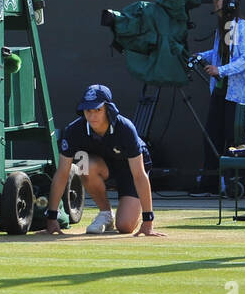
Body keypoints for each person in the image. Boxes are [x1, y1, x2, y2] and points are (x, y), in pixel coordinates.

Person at [39, 84, 163, 237]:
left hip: (130, 172)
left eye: (97, 110)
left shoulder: (126, 128)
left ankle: (125, 214)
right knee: (83, 162)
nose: (92, 116)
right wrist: (52, 217)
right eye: (88, 110)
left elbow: (139, 175)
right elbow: (62, 173)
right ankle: (105, 213)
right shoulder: (74, 130)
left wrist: (148, 221)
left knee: (125, 226)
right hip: (102, 168)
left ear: (108, 109)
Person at [193, 0, 245, 193]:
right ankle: (210, 184)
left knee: (235, 139)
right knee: (212, 135)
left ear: (230, 3)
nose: (214, 3)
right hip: (221, 93)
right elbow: (219, 53)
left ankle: (240, 184)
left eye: (218, 0)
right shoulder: (224, 28)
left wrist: (221, 70)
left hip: (239, 97)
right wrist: (201, 56)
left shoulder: (242, 27)